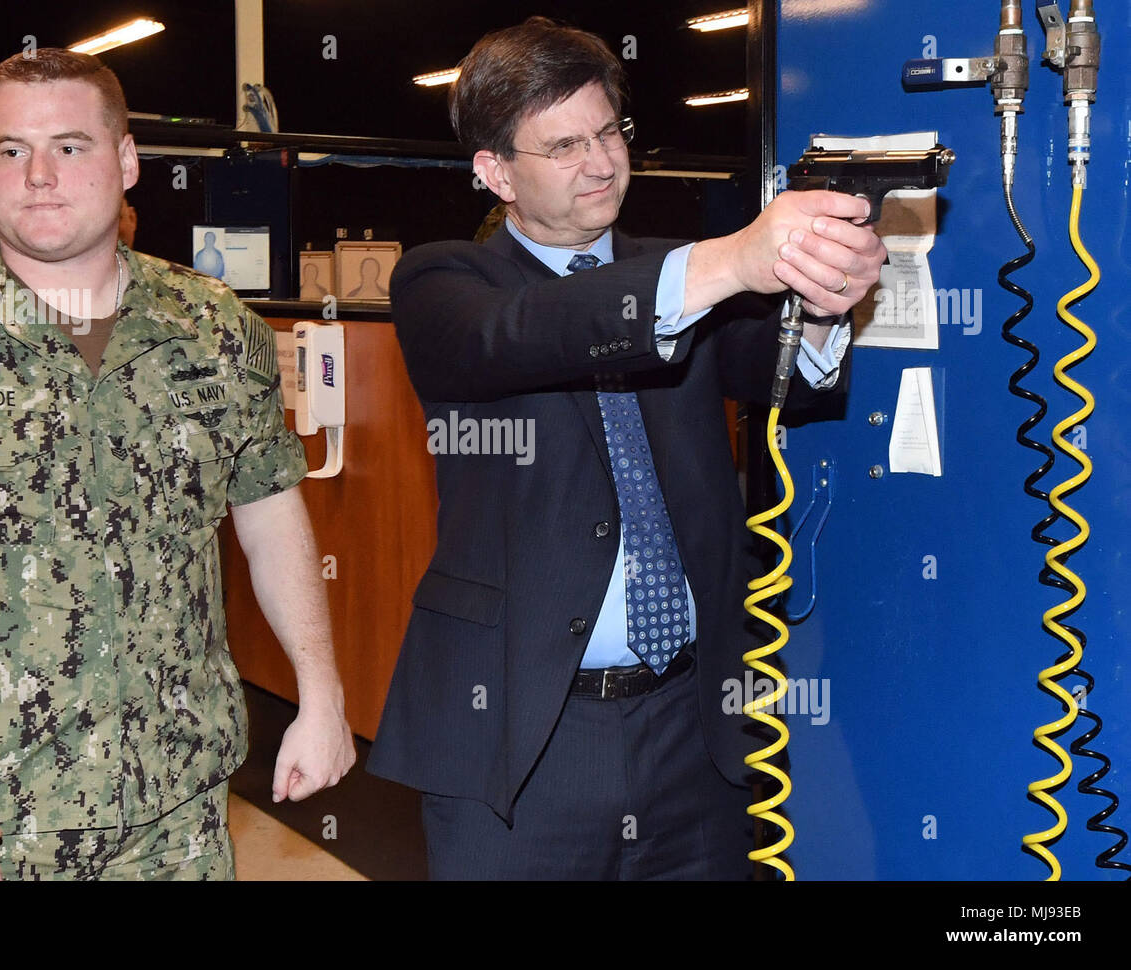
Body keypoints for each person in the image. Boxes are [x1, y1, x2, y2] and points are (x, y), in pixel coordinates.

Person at [366, 17, 886, 879]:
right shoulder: (446, 283)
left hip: (692, 728)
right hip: (519, 739)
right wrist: (731, 260)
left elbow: (785, 373)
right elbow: (527, 335)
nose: (602, 162)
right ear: (494, 171)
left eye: (609, 131)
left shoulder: (679, 274)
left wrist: (827, 296)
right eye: (563, 144)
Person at [0, 48, 355, 881]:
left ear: (126, 162)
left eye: (70, 146)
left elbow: (270, 516)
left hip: (179, 817)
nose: (39, 174)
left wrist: (321, 692)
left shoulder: (216, 326)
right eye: (9, 150)